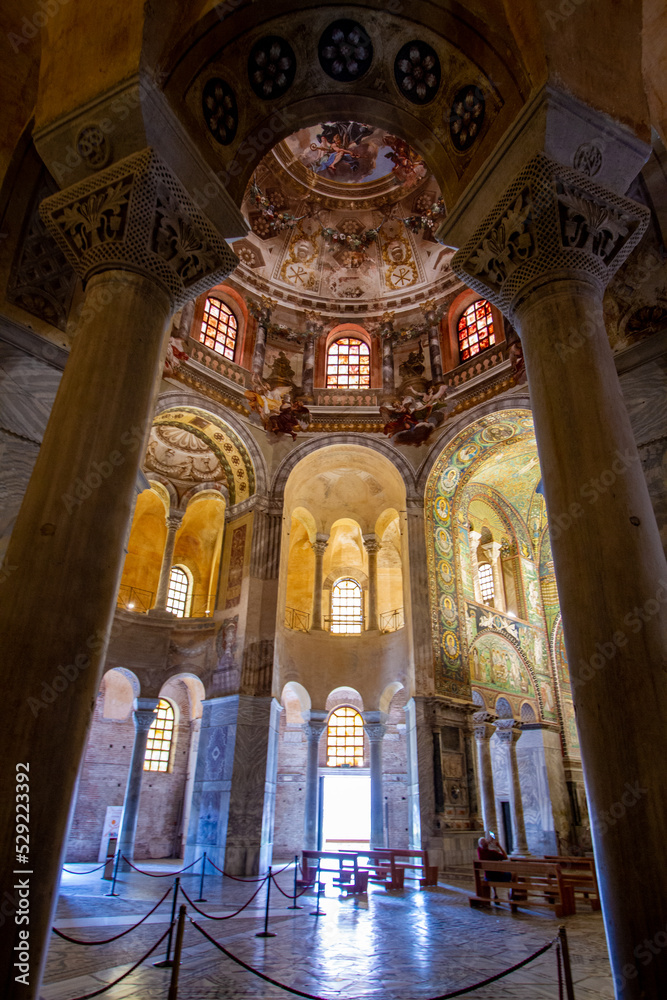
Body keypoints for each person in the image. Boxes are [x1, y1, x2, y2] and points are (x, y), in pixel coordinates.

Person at [477, 834, 510, 902]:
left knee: (491, 874)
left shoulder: (480, 851)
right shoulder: (493, 853)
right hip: (498, 877)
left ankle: (495, 894)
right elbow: (505, 857)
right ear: (488, 845)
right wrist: (499, 846)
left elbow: (483, 845)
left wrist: (489, 841)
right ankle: (511, 893)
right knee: (513, 875)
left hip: (488, 877)